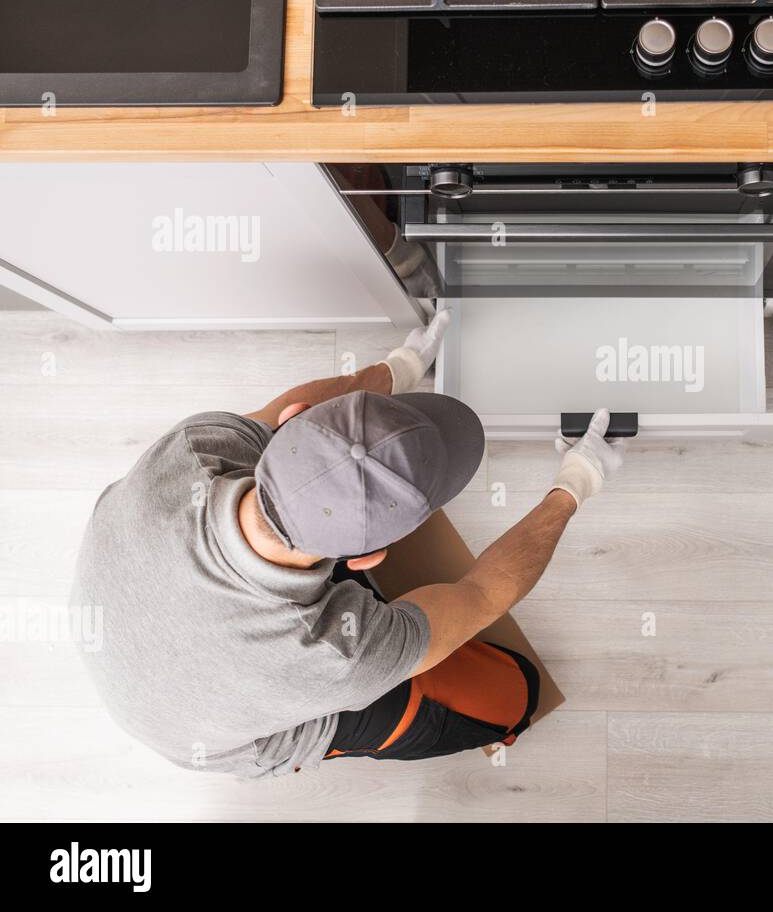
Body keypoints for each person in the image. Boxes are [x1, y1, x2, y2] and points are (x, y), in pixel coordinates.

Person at [70, 313, 625, 778]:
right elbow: (481, 595)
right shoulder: (338, 657)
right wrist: (576, 484)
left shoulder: (194, 450)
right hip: (212, 730)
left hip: (122, 611)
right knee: (512, 694)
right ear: (367, 560)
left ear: (292, 425)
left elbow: (279, 411)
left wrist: (398, 367)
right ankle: (503, 717)